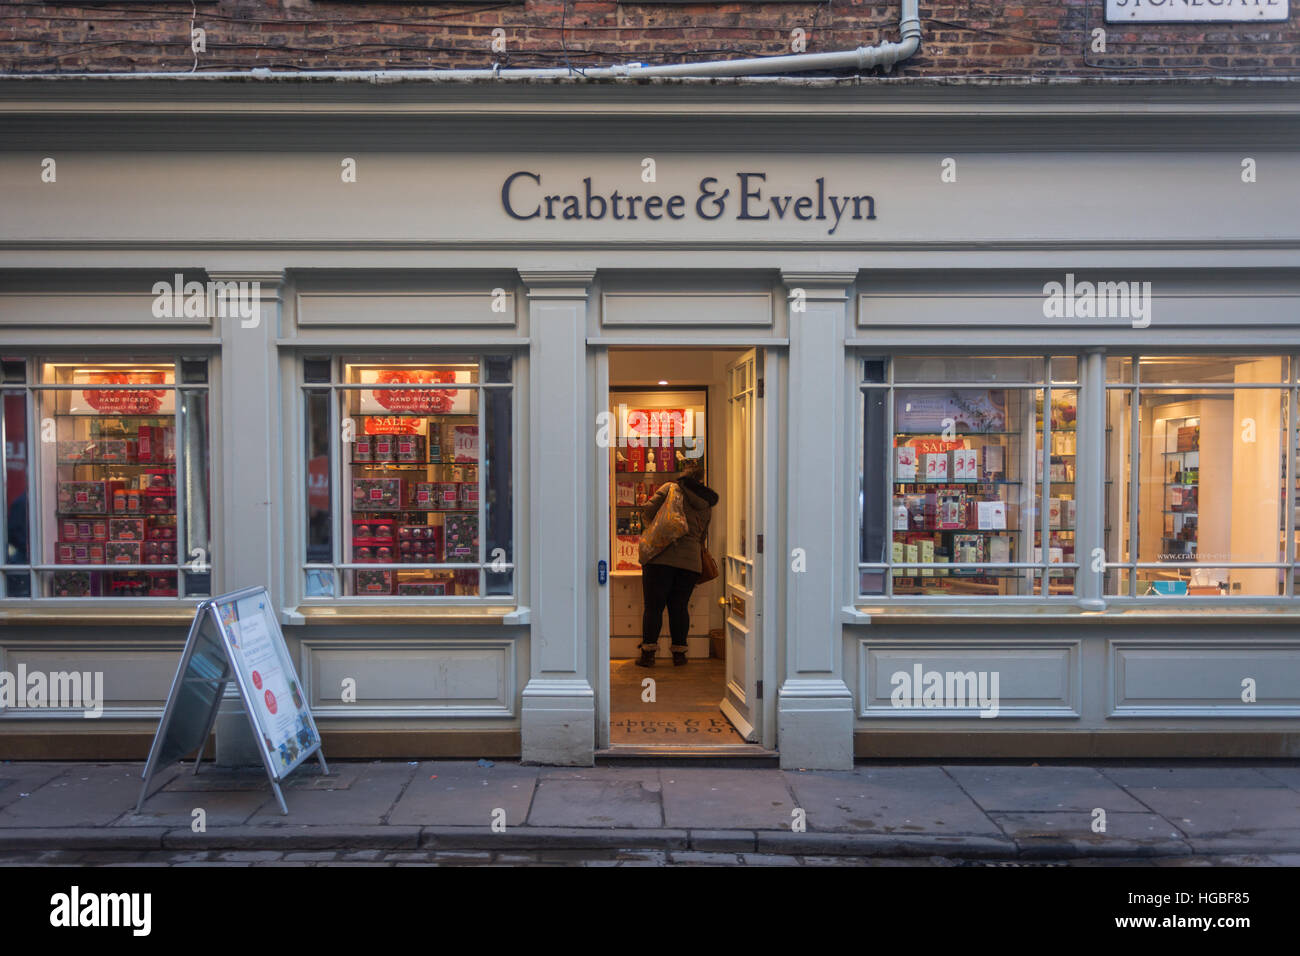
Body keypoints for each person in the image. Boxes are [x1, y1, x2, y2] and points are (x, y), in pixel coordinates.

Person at [636, 458, 718, 667]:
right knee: (679, 607)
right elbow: (702, 534)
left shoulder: (669, 489)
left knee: (654, 607)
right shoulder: (706, 502)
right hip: (690, 562)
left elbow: (647, 511)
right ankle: (679, 655)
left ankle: (648, 655)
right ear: (700, 479)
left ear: (682, 476)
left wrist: (653, 527)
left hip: (660, 557)